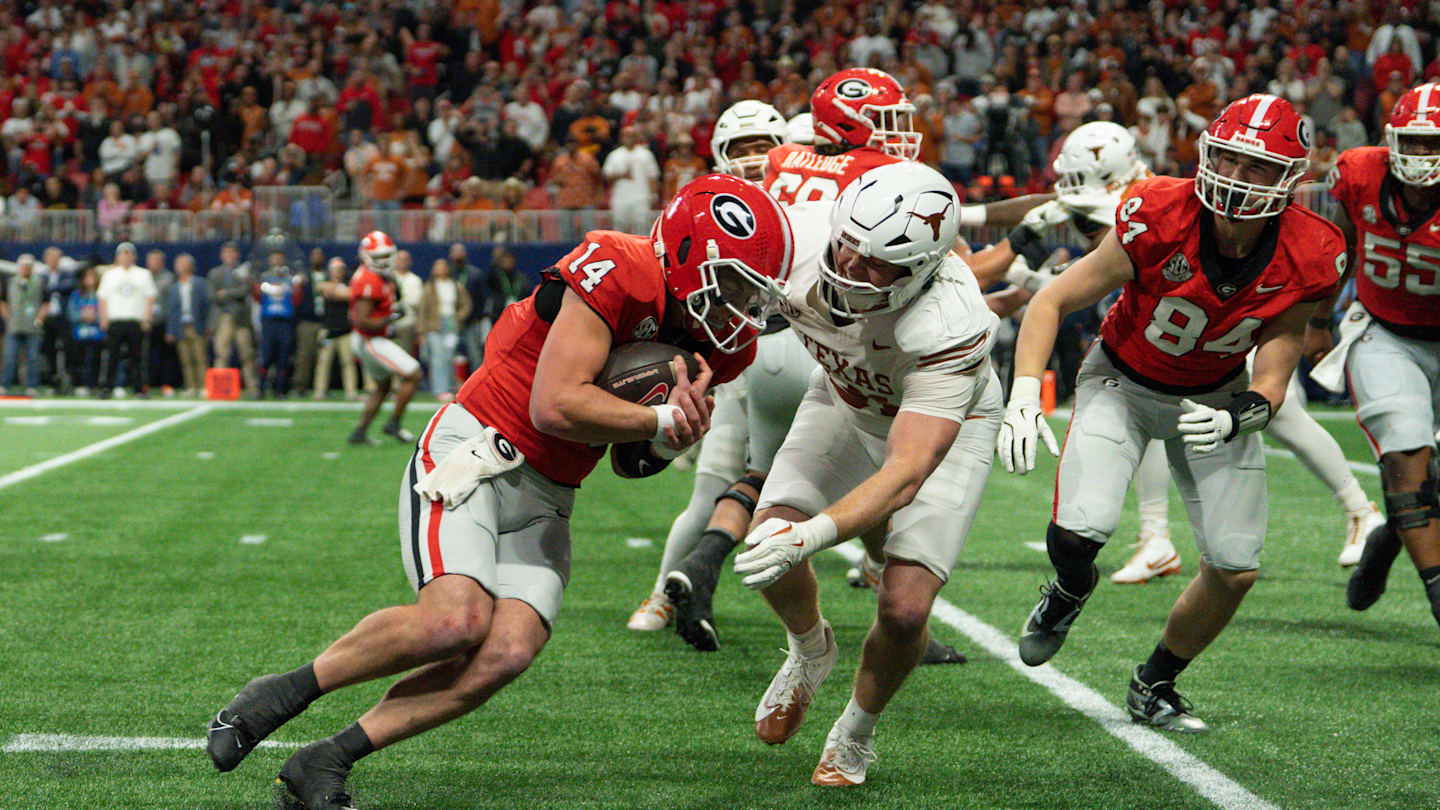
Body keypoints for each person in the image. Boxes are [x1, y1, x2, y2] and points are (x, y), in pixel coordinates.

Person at [205, 175, 793, 808]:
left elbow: (629, 463)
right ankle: (282, 691)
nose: (738, 308)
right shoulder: (621, 268)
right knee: (452, 622)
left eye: (750, 293)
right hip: (479, 450)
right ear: (682, 254)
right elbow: (554, 406)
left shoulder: (720, 345)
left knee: (507, 650)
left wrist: (671, 441)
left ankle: (326, 759)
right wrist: (659, 419)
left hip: (550, 497)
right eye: (731, 284)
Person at [998, 95, 1343, 732]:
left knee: (1236, 569)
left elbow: (1273, 377)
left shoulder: (1313, 250)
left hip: (1212, 397)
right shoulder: (1156, 207)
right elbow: (1050, 302)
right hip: (1121, 384)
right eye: (1230, 159)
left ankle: (1155, 681)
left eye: (1258, 167)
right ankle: (1070, 589)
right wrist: (1023, 396)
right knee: (1079, 532)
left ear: (1291, 180)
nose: (1237, 177)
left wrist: (1236, 416)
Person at [731, 161, 999, 786]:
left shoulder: (952, 322)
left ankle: (856, 728)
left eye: (879, 263)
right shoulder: (790, 244)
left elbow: (905, 473)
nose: (851, 265)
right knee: (767, 540)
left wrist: (816, 535)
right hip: (845, 399)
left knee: (905, 609)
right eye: (849, 242)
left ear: (926, 267)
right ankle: (809, 648)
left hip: (943, 431)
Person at [1312, 83, 1440, 628]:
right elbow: (1333, 247)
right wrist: (1317, 320)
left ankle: (1390, 536)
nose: (1422, 157)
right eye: (1413, 143)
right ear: (1391, 141)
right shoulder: (1358, 171)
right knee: (1405, 454)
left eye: (1434, 145)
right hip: (1383, 332)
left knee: (1425, 486)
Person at [346, 231, 424, 445]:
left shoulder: (379, 275)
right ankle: (394, 423)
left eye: (385, 256)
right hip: (370, 340)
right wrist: (390, 319)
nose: (383, 261)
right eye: (377, 257)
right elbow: (362, 321)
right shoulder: (367, 279)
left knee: (383, 386)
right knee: (414, 373)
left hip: (371, 339)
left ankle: (359, 432)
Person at [98, 242, 156, 398]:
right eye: (123, 253)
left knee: (137, 358)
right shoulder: (110, 274)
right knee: (111, 357)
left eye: (129, 253)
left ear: (134, 256)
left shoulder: (143, 274)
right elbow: (102, 298)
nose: (126, 256)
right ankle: (107, 387)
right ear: (117, 256)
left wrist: (147, 319)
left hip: (135, 321)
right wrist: (104, 318)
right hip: (115, 321)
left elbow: (150, 298)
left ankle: (139, 388)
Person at [209, 241, 259, 394]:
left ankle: (253, 387)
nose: (229, 256)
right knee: (221, 353)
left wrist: (226, 293)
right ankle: (219, 388)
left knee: (247, 354)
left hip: (241, 318)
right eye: (226, 252)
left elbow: (244, 291)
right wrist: (231, 293)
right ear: (222, 255)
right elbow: (213, 296)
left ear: (237, 254)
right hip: (223, 317)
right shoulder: (215, 273)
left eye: (232, 252)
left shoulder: (243, 272)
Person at [418, 258, 472, 398]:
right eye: (438, 266)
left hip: (451, 323)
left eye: (443, 266)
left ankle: (449, 387)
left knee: (449, 356)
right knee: (437, 357)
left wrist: (459, 317)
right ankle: (439, 389)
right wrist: (422, 330)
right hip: (434, 324)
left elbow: (466, 304)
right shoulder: (429, 287)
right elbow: (423, 310)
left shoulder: (455, 285)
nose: (441, 269)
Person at [256, 236, 300, 398]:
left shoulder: (290, 277)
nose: (276, 262)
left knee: (283, 357)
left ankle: (280, 389)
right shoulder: (264, 278)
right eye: (273, 259)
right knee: (266, 356)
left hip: (285, 321)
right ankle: (261, 387)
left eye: (279, 259)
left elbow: (296, 296)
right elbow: (257, 295)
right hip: (269, 320)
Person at [1, 254, 49, 394]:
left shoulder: (39, 282)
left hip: (32, 327)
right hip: (14, 326)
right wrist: (7, 317)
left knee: (32, 358)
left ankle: (31, 385)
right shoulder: (10, 282)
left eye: (28, 266)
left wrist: (39, 319)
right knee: (9, 357)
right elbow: (3, 301)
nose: (26, 269)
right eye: (23, 266)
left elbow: (46, 303)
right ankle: (5, 384)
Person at [314, 258, 359, 401]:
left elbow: (350, 295)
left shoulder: (348, 284)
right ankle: (320, 390)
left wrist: (336, 291)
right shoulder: (324, 282)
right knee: (324, 362)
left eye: (340, 270)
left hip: (345, 329)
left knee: (348, 362)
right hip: (327, 329)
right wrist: (338, 291)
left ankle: (351, 391)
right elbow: (322, 289)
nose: (337, 273)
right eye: (335, 270)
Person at [165, 253, 209, 397]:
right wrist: (170, 330)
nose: (181, 267)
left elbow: (206, 306)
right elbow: (171, 311)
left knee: (200, 357)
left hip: (195, 324)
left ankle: (204, 386)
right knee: (185, 359)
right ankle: (191, 386)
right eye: (179, 264)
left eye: (184, 264)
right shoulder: (174, 287)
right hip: (180, 325)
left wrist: (207, 324)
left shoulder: (200, 284)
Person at [602, 126, 660, 235]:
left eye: (631, 136)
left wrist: (654, 195)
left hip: (641, 198)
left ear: (636, 137)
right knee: (619, 226)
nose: (628, 138)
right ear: (621, 138)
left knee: (642, 226)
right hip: (620, 198)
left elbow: (653, 176)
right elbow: (606, 175)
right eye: (625, 136)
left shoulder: (646, 154)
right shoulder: (615, 155)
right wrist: (621, 175)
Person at [66, 265, 104, 396]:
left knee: (95, 359)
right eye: (87, 276)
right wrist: (82, 316)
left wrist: (96, 317)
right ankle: (78, 384)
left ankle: (93, 385)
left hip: (96, 334)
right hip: (79, 333)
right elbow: (71, 313)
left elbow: (105, 311)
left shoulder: (101, 294)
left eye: (92, 276)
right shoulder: (76, 295)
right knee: (78, 359)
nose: (90, 280)